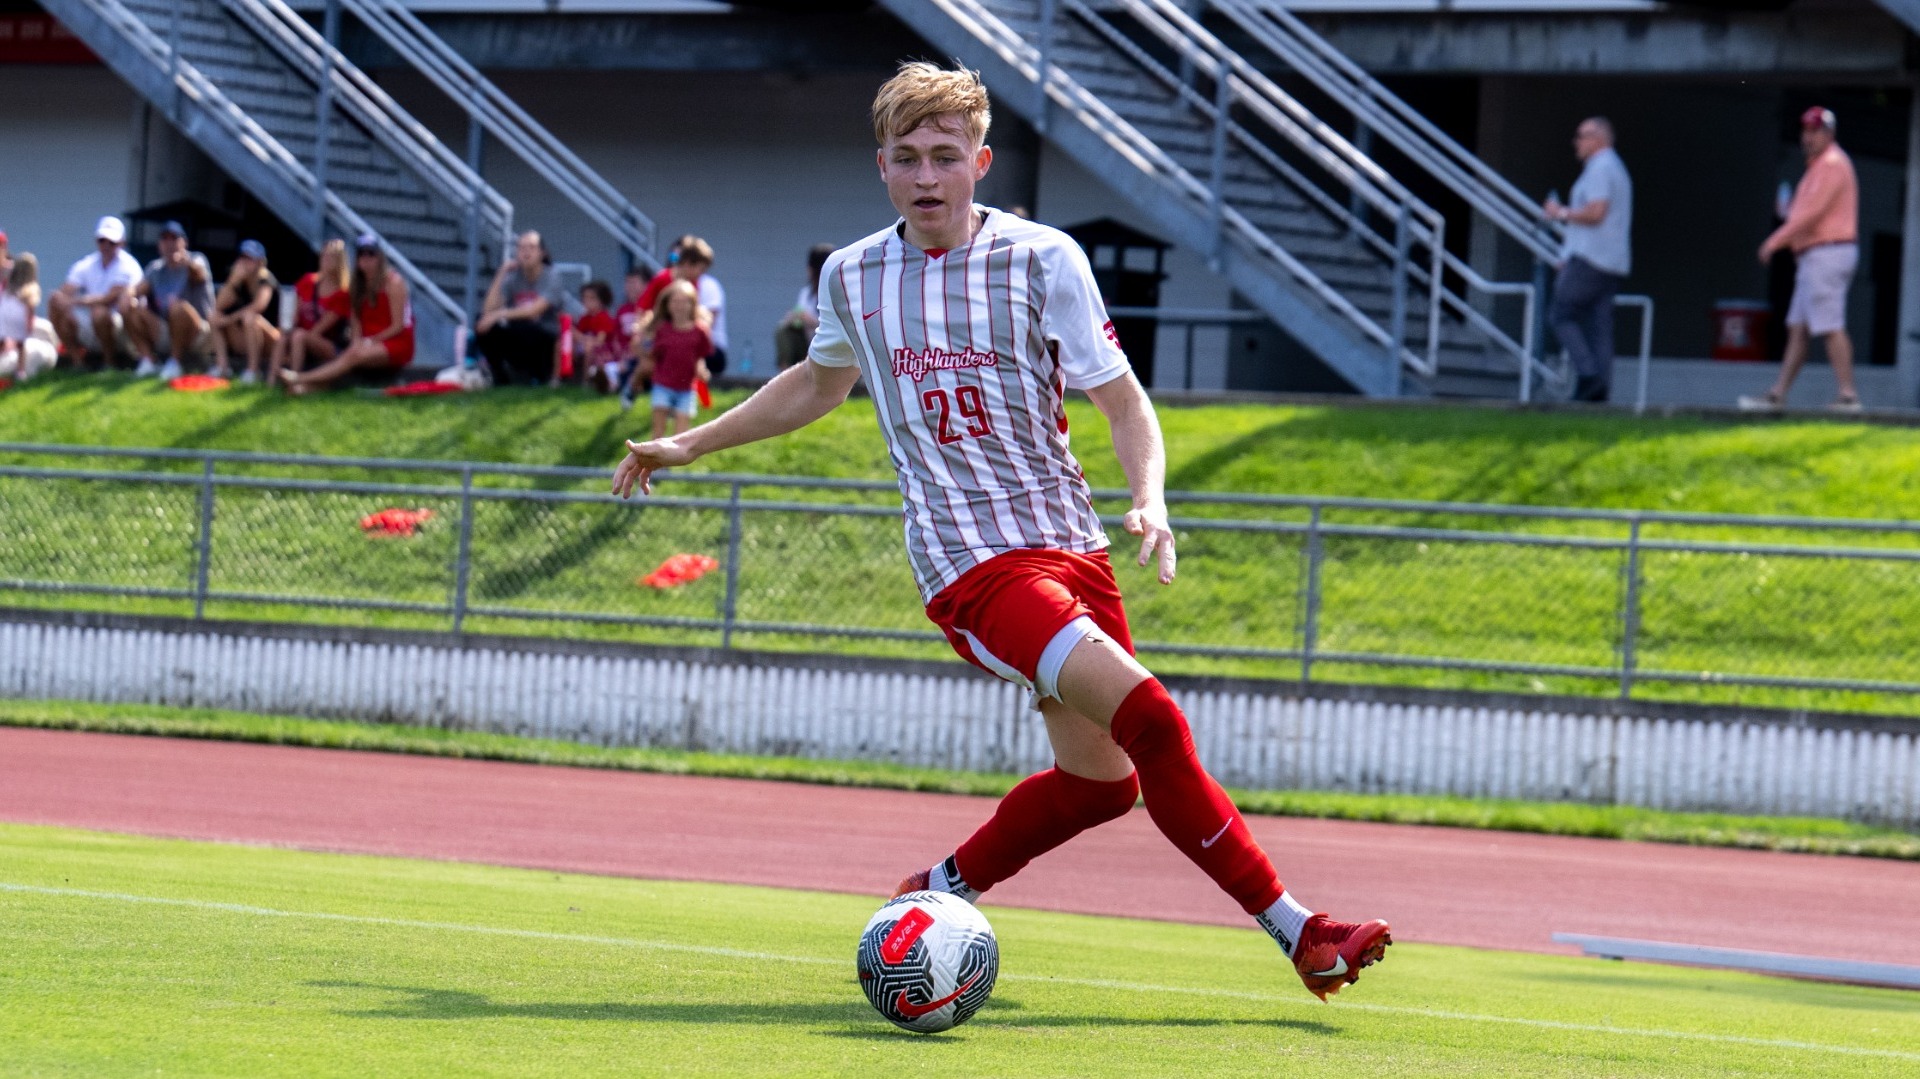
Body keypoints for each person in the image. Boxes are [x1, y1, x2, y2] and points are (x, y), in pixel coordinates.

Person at [612, 61, 1391, 1002]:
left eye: (946, 156)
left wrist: (1149, 495)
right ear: (882, 168)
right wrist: (690, 441)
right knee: (1152, 715)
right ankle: (1302, 931)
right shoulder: (854, 275)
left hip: (1071, 544)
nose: (927, 176)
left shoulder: (1042, 258)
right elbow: (817, 384)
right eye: (907, 159)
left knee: (1103, 784)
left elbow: (1121, 398)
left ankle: (932, 892)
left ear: (980, 162)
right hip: (969, 561)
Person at [1739, 107, 1862, 413]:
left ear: (1829, 134)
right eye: (1805, 130)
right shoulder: (1817, 167)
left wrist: (1774, 241)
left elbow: (1811, 215)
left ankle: (1848, 396)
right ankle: (1778, 394)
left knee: (1830, 325)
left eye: (1815, 130)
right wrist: (1786, 217)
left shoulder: (1833, 164)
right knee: (1798, 328)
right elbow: (1799, 213)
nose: (1808, 137)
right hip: (1814, 255)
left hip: (1828, 252)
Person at [1542, 117, 1632, 403]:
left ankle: (1587, 373)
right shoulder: (1614, 167)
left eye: (1581, 136)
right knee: (1599, 325)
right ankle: (1600, 389)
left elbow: (1595, 213)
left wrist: (1560, 212)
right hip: (1612, 260)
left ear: (1598, 139)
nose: (1576, 142)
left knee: (1561, 314)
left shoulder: (1601, 167)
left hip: (1592, 258)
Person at [283, 234, 413, 395]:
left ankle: (300, 378)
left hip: (393, 341)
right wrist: (357, 341)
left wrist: (369, 341)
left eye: (371, 254)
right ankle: (307, 388)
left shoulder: (393, 283)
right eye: (362, 254)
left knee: (352, 355)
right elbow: (356, 323)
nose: (366, 259)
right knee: (352, 353)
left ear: (380, 257)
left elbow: (398, 325)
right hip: (366, 343)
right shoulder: (357, 286)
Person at [48, 215, 142, 369]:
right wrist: (60, 299)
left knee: (99, 312)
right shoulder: (87, 264)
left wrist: (74, 301)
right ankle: (78, 363)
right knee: (55, 302)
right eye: (102, 240)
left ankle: (109, 363)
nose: (106, 245)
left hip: (121, 325)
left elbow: (108, 299)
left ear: (122, 243)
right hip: (91, 319)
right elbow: (66, 290)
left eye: (112, 242)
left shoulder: (129, 266)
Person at [126, 220, 215, 380]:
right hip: (167, 328)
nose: (169, 243)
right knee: (129, 307)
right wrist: (128, 295)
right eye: (165, 239)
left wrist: (185, 261)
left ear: (184, 242)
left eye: (174, 238)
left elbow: (199, 274)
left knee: (178, 308)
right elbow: (138, 289)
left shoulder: (196, 259)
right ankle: (148, 361)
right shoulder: (156, 268)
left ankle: (175, 362)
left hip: (199, 330)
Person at [476, 230, 566, 385]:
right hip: (519, 336)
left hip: (545, 340)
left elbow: (534, 311)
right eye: (521, 248)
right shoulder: (512, 278)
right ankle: (499, 376)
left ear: (542, 253)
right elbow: (488, 309)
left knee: (528, 325)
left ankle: (539, 376)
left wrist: (498, 315)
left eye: (531, 247)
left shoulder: (552, 277)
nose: (526, 252)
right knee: (483, 323)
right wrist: (501, 273)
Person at [268, 238, 352, 388]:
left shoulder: (342, 294)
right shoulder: (308, 281)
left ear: (339, 261)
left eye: (330, 257)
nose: (325, 260)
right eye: (324, 255)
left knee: (299, 336)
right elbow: (295, 313)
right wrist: (287, 328)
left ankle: (294, 380)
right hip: (301, 335)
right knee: (283, 336)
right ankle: (271, 381)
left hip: (328, 344)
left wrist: (295, 334)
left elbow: (318, 330)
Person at [639, 279, 711, 438]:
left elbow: (700, 356)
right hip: (663, 384)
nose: (680, 306)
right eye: (676, 301)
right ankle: (655, 462)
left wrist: (702, 372)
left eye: (685, 302)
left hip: (686, 387)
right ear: (668, 305)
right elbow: (651, 355)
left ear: (693, 304)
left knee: (680, 435)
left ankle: (673, 463)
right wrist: (642, 343)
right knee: (658, 430)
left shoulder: (700, 331)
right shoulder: (662, 330)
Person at [208, 239, 280, 382]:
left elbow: (259, 306)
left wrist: (229, 319)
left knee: (249, 317)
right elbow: (219, 305)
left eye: (250, 258)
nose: (245, 262)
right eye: (243, 257)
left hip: (273, 339)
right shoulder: (238, 279)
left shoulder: (265, 279)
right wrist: (233, 281)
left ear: (260, 261)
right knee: (214, 317)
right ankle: (222, 366)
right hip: (245, 338)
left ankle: (253, 370)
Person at [775, 243, 835, 370]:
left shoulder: (835, 294)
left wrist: (812, 321)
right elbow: (799, 319)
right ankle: (785, 374)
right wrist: (792, 318)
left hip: (829, 346)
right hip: (807, 344)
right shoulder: (807, 293)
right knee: (783, 330)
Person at [0, 253, 57, 382]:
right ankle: (21, 371)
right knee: (23, 343)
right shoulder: (30, 290)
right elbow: (29, 315)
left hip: (9, 327)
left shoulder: (8, 291)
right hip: (19, 327)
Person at [570, 280, 619, 392]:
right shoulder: (585, 317)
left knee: (589, 347)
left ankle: (586, 381)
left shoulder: (603, 317)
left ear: (602, 301)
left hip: (605, 352)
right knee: (563, 342)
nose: (587, 302)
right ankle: (560, 377)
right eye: (585, 298)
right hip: (585, 345)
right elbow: (578, 334)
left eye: (592, 299)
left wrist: (578, 336)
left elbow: (599, 341)